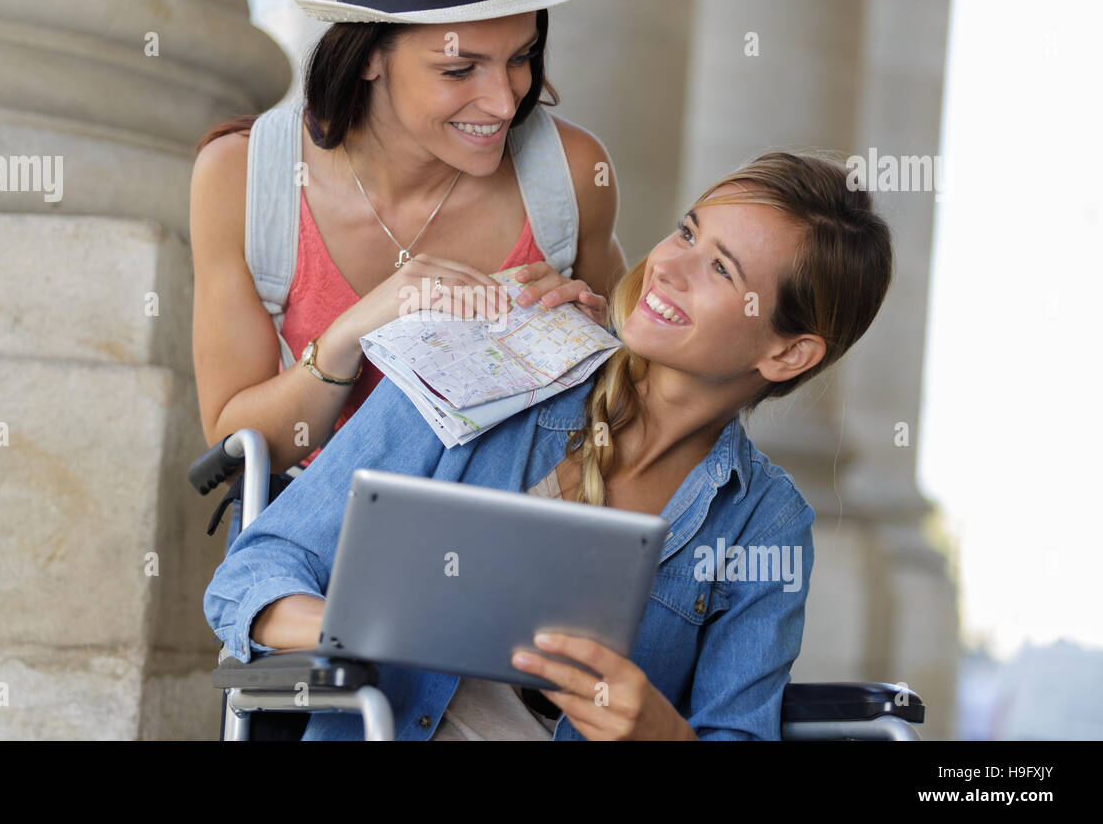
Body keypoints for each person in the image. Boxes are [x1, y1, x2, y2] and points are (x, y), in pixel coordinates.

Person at [203, 149, 895, 740]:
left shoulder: (764, 523)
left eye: (722, 270)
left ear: (788, 352)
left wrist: (660, 731)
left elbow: (735, 728)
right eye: (687, 233)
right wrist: (368, 625)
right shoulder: (487, 359)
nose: (668, 268)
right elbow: (252, 573)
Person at [189, 0, 627, 489]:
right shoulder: (241, 177)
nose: (505, 102)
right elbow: (237, 442)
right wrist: (351, 333)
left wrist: (594, 342)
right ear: (368, 55)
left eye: (521, 56)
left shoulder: (574, 174)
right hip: (316, 533)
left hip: (506, 531)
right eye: (459, 68)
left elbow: (633, 409)